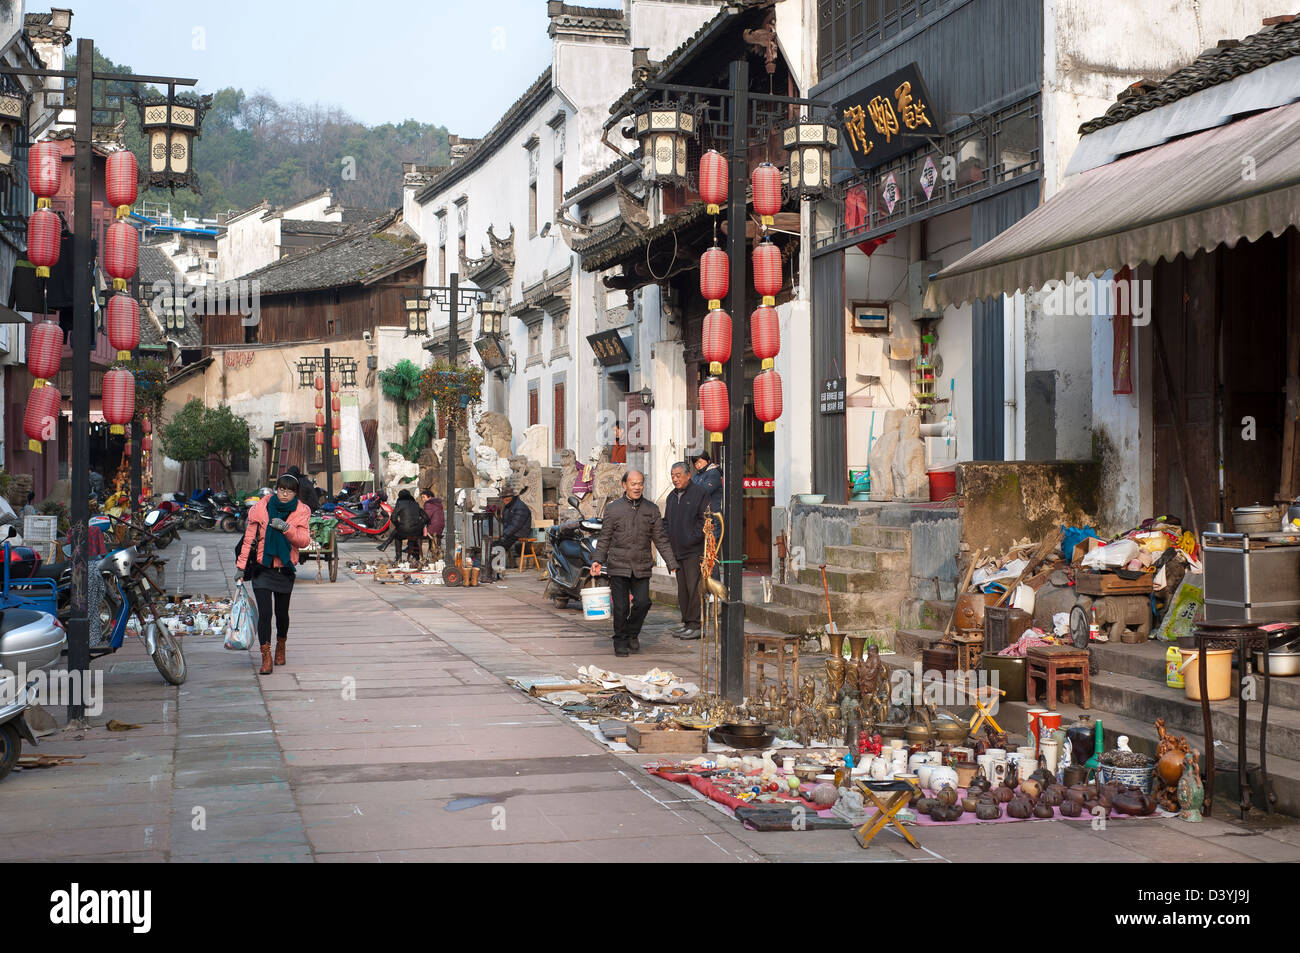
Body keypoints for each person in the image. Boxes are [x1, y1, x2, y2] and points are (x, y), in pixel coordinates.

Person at [590, 470, 677, 657]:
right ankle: (620, 641)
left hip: (641, 564)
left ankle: (632, 632)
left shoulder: (651, 509)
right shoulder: (613, 509)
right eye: (633, 484)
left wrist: (671, 562)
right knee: (621, 607)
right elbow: (604, 538)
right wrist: (598, 560)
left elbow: (660, 538)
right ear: (624, 485)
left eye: (640, 483)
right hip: (618, 565)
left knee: (643, 603)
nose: (637, 487)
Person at [236, 472, 311, 675]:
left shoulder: (301, 511)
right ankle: (265, 656)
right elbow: (248, 539)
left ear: (296, 493)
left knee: (281, 614)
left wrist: (287, 529)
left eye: (289, 491)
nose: (284, 494)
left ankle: (281, 645)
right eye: (281, 489)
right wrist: (240, 567)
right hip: (262, 567)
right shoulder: (260, 509)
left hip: (284, 569)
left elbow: (304, 541)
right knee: (265, 614)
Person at [664, 462, 709, 640]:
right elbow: (667, 521)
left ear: (688, 475)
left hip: (693, 550)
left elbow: (704, 521)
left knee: (694, 587)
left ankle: (696, 624)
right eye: (672, 475)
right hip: (677, 550)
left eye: (678, 475)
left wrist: (691, 539)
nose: (675, 479)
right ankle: (687, 622)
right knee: (682, 589)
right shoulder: (671, 496)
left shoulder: (699, 493)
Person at [494, 487, 532, 570]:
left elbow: (516, 525)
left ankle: (497, 568)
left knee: (500, 546)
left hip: (520, 532)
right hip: (512, 532)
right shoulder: (509, 506)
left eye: (503, 498)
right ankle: (495, 567)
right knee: (495, 544)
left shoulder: (520, 507)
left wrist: (505, 535)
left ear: (508, 498)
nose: (502, 500)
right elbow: (506, 522)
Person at [385, 488, 427, 561]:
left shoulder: (400, 503)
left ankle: (398, 557)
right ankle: (416, 557)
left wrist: (398, 525)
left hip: (404, 530)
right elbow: (426, 518)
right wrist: (419, 524)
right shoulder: (416, 504)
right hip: (417, 531)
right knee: (414, 536)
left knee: (398, 537)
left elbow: (393, 518)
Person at [691, 451, 723, 533]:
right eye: (695, 463)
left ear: (708, 460)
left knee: (712, 543)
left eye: (700, 462)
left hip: (712, 516)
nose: (698, 465)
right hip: (699, 517)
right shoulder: (696, 475)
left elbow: (704, 491)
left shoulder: (714, 473)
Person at [419, 488, 445, 560]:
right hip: (440, 527)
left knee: (416, 534)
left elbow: (426, 517)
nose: (423, 499)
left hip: (433, 528)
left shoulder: (428, 504)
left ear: (429, 497)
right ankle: (433, 555)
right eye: (422, 498)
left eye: (424, 497)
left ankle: (419, 556)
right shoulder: (438, 504)